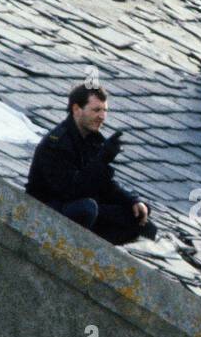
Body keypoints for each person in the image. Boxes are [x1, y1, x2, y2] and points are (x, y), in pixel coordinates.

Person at [26, 83, 157, 245]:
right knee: (86, 208)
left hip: (80, 204)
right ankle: (79, 247)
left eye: (104, 111)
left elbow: (104, 185)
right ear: (76, 109)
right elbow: (72, 190)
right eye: (96, 110)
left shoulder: (92, 140)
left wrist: (133, 200)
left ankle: (92, 245)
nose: (102, 116)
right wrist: (102, 160)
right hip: (47, 209)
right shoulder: (57, 143)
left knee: (138, 216)